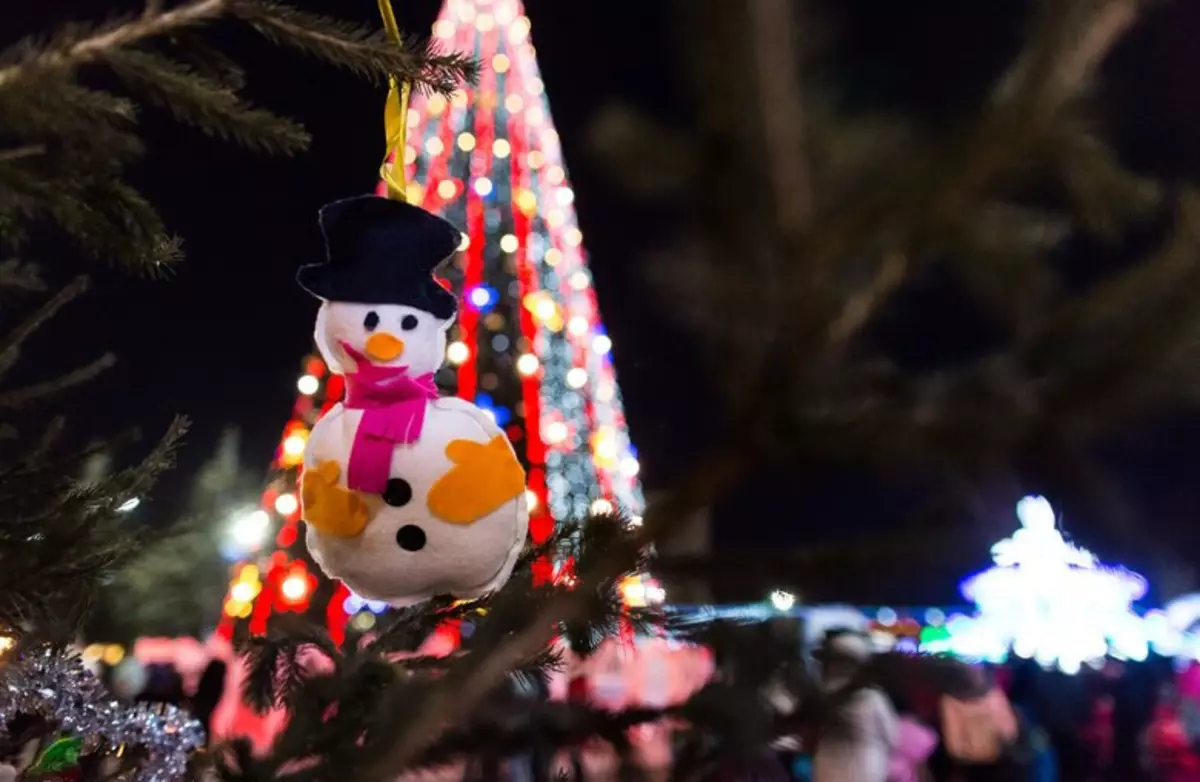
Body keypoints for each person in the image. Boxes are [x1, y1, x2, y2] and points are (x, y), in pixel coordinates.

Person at [812, 629, 898, 782]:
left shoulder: (819, 696)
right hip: (866, 770)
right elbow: (893, 737)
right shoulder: (871, 697)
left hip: (826, 770)